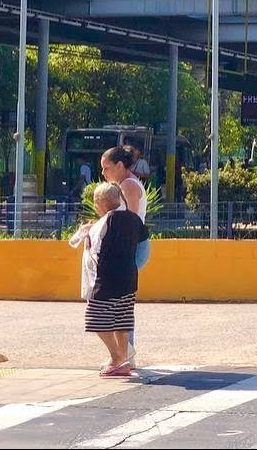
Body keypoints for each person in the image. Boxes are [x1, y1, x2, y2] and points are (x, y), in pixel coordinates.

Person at [72, 182, 145, 377]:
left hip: (106, 279)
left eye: (96, 202)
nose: (95, 206)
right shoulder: (133, 219)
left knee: (95, 318)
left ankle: (117, 357)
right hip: (129, 278)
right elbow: (144, 243)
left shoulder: (104, 223)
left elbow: (95, 252)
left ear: (102, 203)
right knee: (122, 319)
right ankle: (123, 360)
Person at [100, 146, 150, 355]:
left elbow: (130, 220)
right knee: (120, 299)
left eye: (107, 168)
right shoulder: (124, 184)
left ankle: (125, 352)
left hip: (131, 246)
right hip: (130, 244)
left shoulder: (128, 186)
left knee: (119, 300)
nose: (103, 173)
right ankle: (125, 352)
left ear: (120, 166)